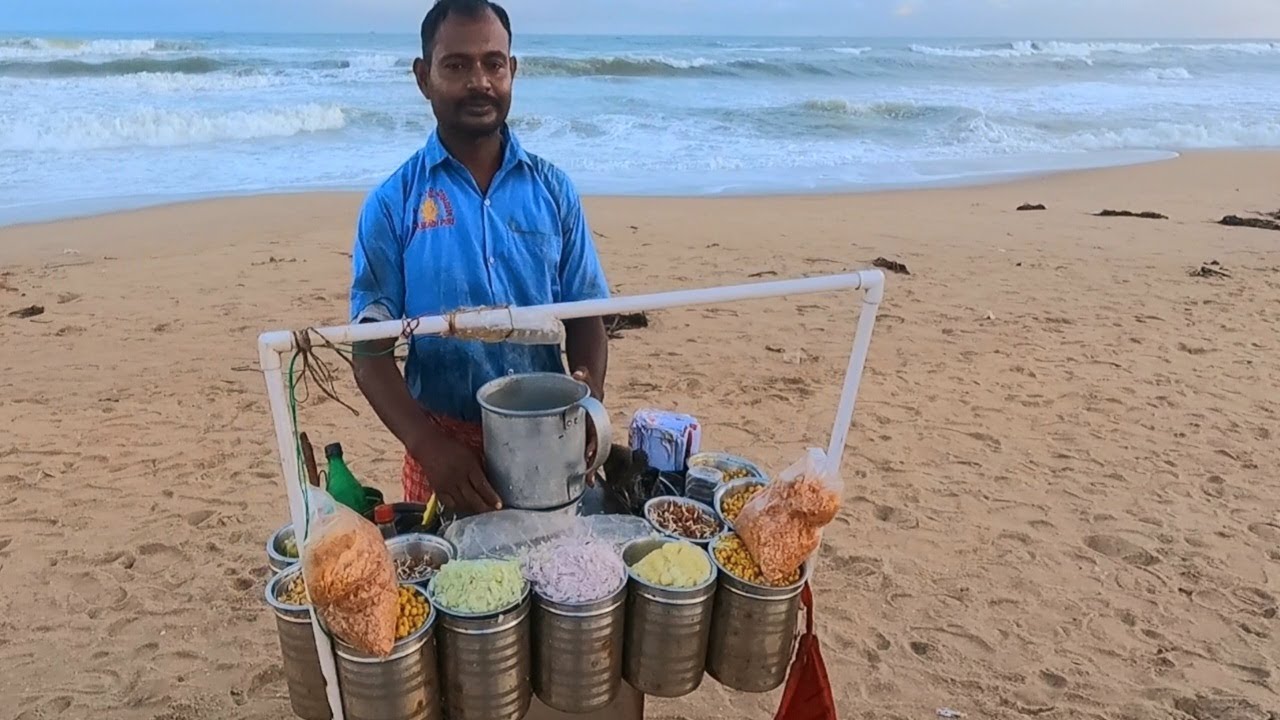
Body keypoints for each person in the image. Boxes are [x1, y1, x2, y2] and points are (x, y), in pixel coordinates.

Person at [349, 0, 609, 516]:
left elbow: (587, 316)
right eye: (457, 65)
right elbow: (369, 352)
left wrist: (587, 402)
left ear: (513, 70)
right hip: (442, 455)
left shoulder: (553, 191)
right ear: (423, 77)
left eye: (494, 63)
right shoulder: (393, 203)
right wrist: (429, 447)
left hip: (546, 436)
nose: (480, 81)